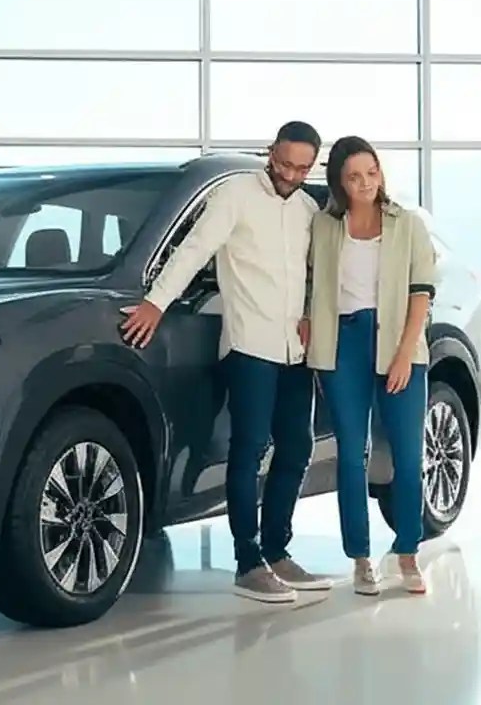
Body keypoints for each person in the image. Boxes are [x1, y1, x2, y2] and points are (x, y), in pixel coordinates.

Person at [121, 121, 331, 603]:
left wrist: (308, 314)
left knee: (297, 447)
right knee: (249, 449)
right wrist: (155, 303)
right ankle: (248, 562)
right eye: (284, 163)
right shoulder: (234, 195)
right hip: (249, 345)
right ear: (270, 152)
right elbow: (194, 250)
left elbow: (311, 275)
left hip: (295, 351)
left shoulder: (306, 209)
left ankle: (277, 552)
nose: (290, 175)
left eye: (302, 168)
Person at [303, 135, 437, 596]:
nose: (365, 183)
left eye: (372, 173)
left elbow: (421, 293)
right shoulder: (324, 226)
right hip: (343, 346)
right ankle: (360, 558)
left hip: (399, 344)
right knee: (351, 453)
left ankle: (408, 552)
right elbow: (311, 284)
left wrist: (404, 354)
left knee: (407, 454)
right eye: (354, 177)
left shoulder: (407, 224)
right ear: (339, 183)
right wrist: (308, 325)